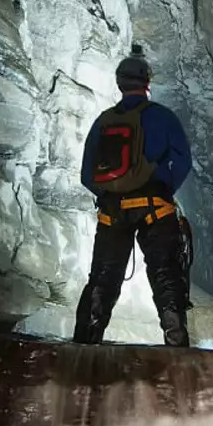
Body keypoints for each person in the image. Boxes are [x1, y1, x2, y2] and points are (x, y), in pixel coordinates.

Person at [73, 45, 193, 347]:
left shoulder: (103, 122)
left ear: (119, 84)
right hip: (155, 208)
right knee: (166, 273)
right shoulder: (163, 117)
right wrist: (163, 190)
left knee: (103, 277)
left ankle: (84, 346)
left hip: (113, 211)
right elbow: (183, 161)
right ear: (147, 83)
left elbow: (88, 175)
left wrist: (111, 195)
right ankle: (176, 343)